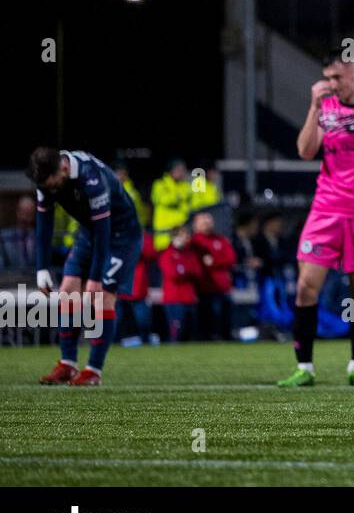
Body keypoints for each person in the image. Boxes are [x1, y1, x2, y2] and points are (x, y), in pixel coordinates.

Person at [277, 49, 354, 388]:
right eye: (328, 78)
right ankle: (304, 367)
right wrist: (314, 107)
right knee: (306, 286)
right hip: (325, 211)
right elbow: (305, 151)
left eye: (337, 77)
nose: (332, 84)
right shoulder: (327, 108)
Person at [27, 148, 144, 385]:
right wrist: (42, 268)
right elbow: (44, 223)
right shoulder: (47, 178)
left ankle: (93, 370)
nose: (51, 191)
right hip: (89, 234)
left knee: (100, 296)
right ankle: (68, 364)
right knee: (68, 290)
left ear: (64, 168)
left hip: (120, 237)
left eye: (54, 185)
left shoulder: (92, 179)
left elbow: (104, 232)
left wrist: (96, 275)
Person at [192, 210, 236, 340]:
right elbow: (198, 262)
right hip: (204, 288)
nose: (207, 224)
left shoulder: (220, 239)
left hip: (223, 287)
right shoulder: (195, 242)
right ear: (196, 225)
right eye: (203, 222)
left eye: (209, 221)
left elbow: (231, 258)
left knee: (225, 317)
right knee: (208, 318)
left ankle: (225, 338)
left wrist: (214, 261)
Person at [160, 225, 203, 342]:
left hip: (189, 298)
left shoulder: (190, 253)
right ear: (176, 237)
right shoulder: (167, 254)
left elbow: (198, 272)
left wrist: (184, 270)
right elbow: (173, 274)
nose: (188, 237)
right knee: (177, 332)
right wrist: (187, 271)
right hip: (174, 299)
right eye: (185, 235)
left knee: (190, 332)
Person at [150, 158, 192, 252]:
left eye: (183, 170)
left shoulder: (185, 185)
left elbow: (191, 205)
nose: (182, 172)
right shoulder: (159, 184)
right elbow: (165, 200)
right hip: (164, 237)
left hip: (181, 235)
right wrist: (181, 195)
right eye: (179, 169)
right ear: (171, 170)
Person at [1, 194, 38, 271]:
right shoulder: (4, 236)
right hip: (10, 280)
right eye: (23, 212)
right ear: (18, 212)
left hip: (32, 280)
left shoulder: (38, 236)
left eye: (29, 214)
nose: (25, 218)